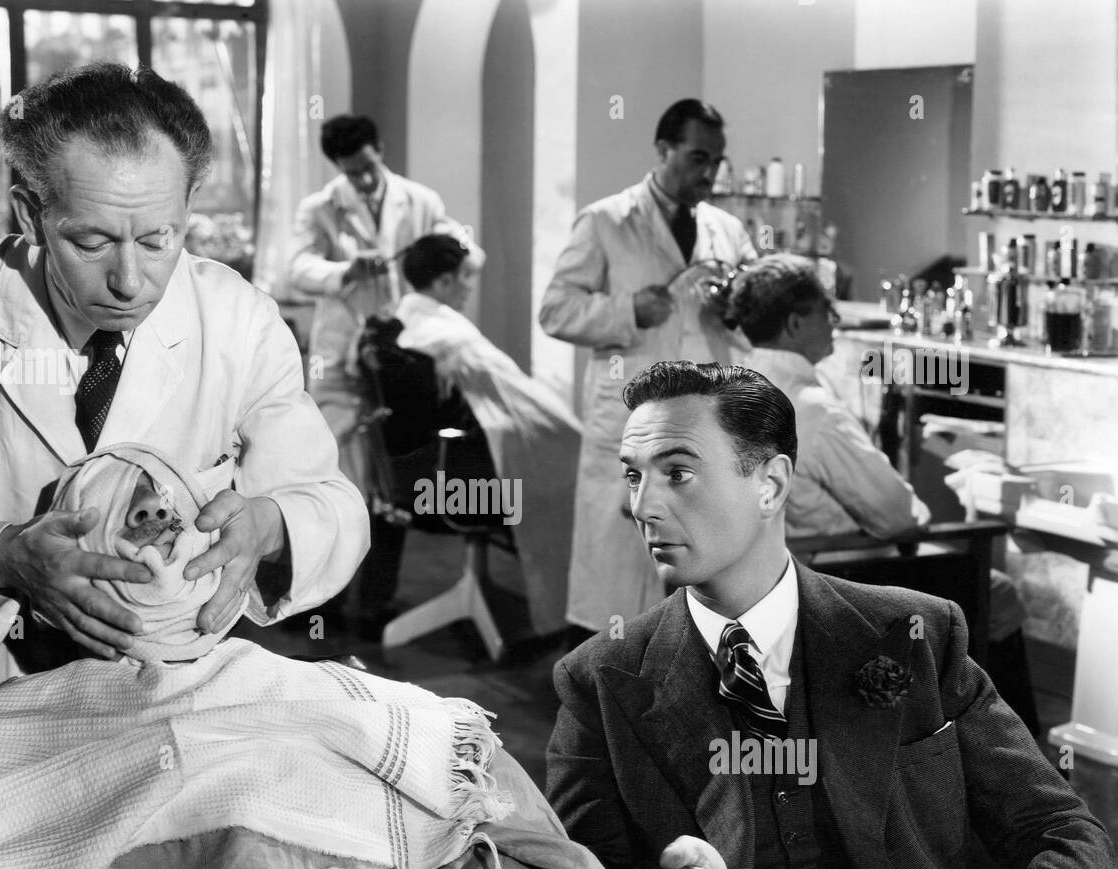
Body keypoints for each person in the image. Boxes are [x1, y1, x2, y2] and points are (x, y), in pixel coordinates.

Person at [0, 444, 688, 869]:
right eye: (125, 510)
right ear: (47, 594)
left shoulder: (374, 708)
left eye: (171, 505)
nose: (161, 519)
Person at [0, 63, 368, 737]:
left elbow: (334, 504)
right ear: (30, 212)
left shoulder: (239, 319)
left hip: (174, 693)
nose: (131, 280)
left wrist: (272, 523)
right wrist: (4, 558)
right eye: (93, 240)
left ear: (189, 207)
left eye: (158, 238)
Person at [545, 361, 1112, 869]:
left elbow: (1056, 825)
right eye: (632, 475)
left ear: (770, 485)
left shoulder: (917, 633)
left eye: (677, 472)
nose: (640, 505)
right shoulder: (598, 679)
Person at [727, 254, 1038, 733]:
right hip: (836, 576)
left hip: (759, 579)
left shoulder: (730, 393)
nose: (834, 323)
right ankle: (1013, 759)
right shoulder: (812, 411)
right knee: (997, 593)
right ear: (793, 324)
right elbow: (900, 518)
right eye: (824, 313)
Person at [539, 99, 758, 644]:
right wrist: (626, 311)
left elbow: (755, 315)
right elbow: (555, 310)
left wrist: (734, 309)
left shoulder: (727, 230)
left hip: (706, 426)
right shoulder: (607, 221)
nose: (709, 173)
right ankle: (597, 712)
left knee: (704, 574)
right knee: (619, 593)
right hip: (630, 422)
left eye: (717, 161)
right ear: (663, 150)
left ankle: (683, 710)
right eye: (697, 157)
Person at [289, 115, 481, 629]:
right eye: (354, 175)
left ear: (381, 148)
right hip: (342, 362)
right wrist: (346, 271)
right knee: (331, 478)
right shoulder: (320, 209)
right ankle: (317, 601)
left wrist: (451, 251)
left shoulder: (421, 200)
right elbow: (297, 268)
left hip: (398, 363)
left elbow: (463, 250)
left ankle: (375, 603)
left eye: (370, 168)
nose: (366, 182)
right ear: (339, 169)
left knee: (391, 483)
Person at [391, 234, 582, 637]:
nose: (469, 287)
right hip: (460, 481)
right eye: (463, 278)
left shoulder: (403, 324)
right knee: (575, 465)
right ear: (442, 283)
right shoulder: (450, 337)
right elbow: (522, 403)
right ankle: (571, 615)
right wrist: (573, 436)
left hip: (419, 474)